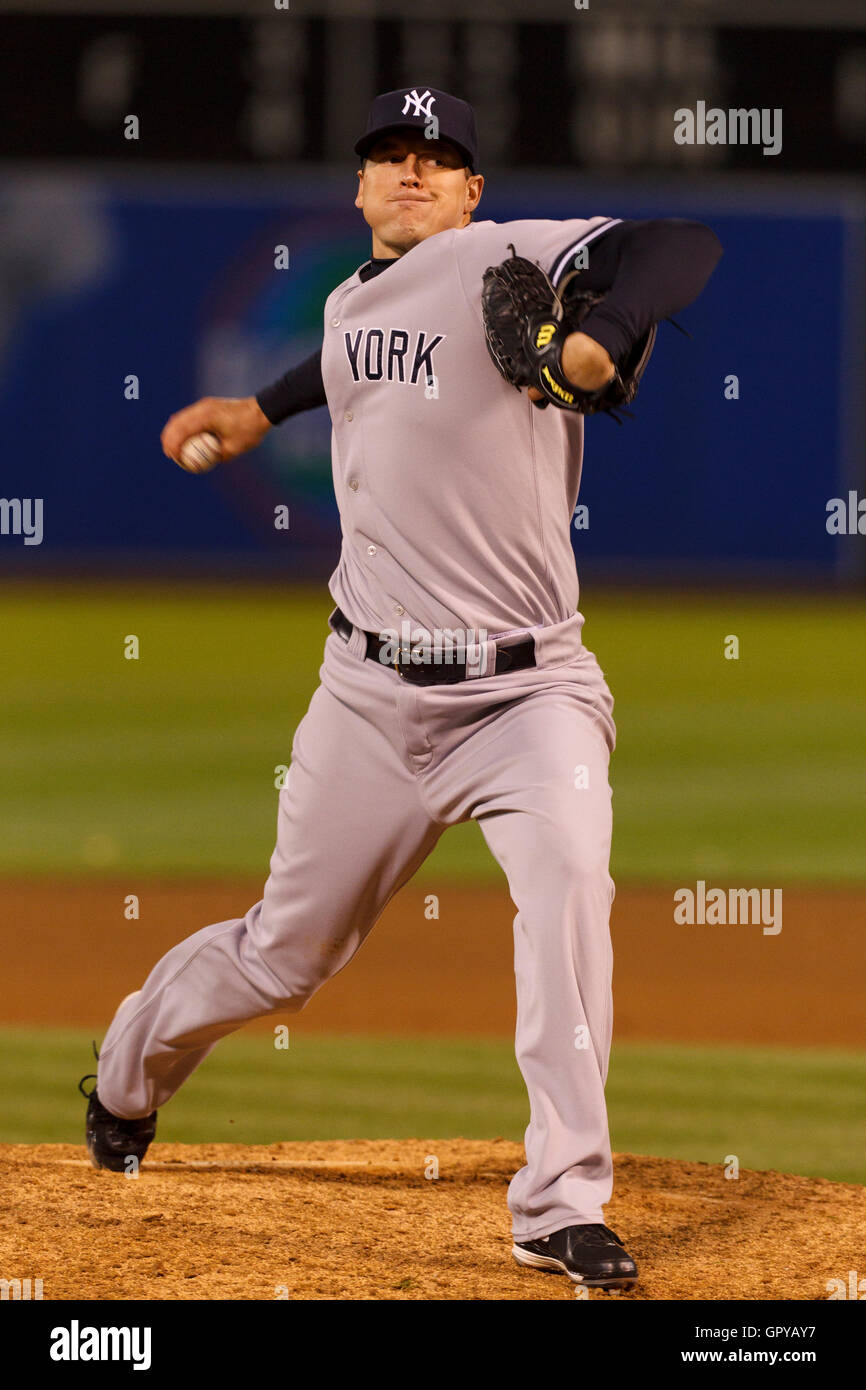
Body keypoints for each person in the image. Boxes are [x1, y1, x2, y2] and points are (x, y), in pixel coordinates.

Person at [80, 87, 721, 1291]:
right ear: (362, 187)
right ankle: (126, 1075)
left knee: (571, 887)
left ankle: (559, 1201)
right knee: (283, 957)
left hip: (529, 697)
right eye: (389, 156)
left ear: (473, 190)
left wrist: (602, 328)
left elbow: (680, 243)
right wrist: (252, 407)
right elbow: (352, 358)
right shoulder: (347, 295)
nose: (413, 171)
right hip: (366, 699)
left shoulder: (499, 254)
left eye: (439, 157)